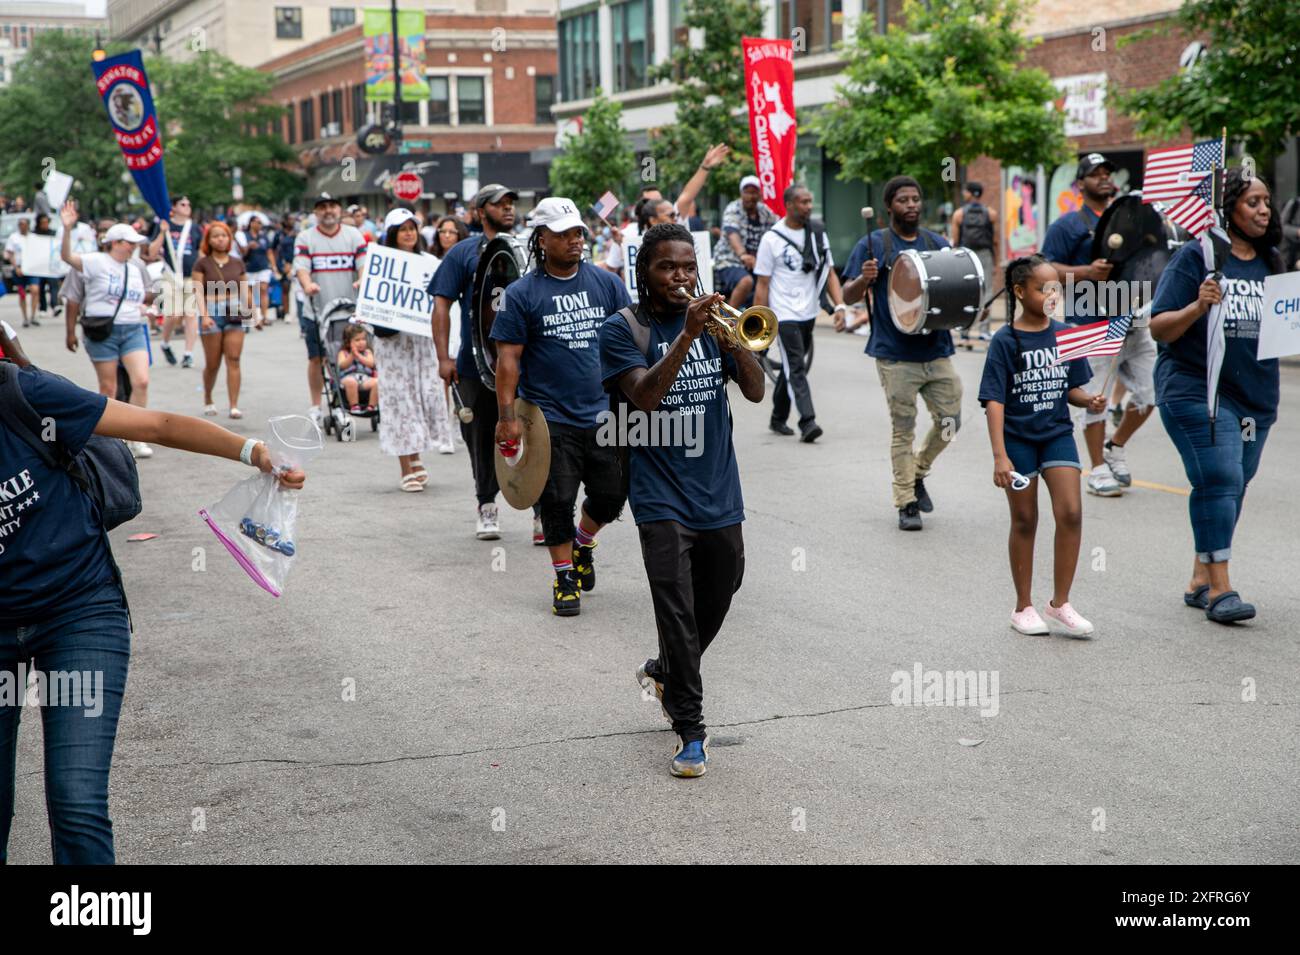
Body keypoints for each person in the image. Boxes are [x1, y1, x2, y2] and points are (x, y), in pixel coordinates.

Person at [0, 332, 306, 864]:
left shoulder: (25, 394)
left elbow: (156, 424)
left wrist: (255, 452)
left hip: (77, 613)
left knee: (75, 801)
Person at [598, 222, 765, 777]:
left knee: (723, 589)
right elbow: (642, 399)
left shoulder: (715, 325)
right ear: (645, 272)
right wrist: (688, 337)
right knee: (676, 607)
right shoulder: (624, 328)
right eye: (668, 267)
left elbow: (757, 390)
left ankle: (667, 670)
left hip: (718, 488)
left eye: (689, 266)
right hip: (659, 495)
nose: (681, 277)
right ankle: (690, 730)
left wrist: (734, 342)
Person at [1149, 168, 1284, 625]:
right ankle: (1221, 592)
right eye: (1252, 202)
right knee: (1221, 477)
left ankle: (1199, 577)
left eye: (1267, 201)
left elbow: (1283, 335)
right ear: (1228, 208)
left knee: (1235, 485)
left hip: (1255, 395)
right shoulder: (1199, 257)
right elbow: (1159, 327)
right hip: (1195, 387)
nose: (1264, 209)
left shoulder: (1275, 263)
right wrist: (1198, 305)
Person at [490, 198, 632, 615]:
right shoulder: (521, 294)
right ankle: (564, 577)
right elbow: (508, 361)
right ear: (541, 239)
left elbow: (630, 339)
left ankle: (584, 543)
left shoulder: (606, 284)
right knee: (556, 500)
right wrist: (507, 417)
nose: (575, 240)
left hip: (606, 413)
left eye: (578, 233)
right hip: (550, 418)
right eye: (564, 234)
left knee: (611, 495)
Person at [979, 256, 1105, 637]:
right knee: (1025, 520)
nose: (1052, 295)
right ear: (1019, 292)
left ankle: (1060, 603)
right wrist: (1000, 455)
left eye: (1057, 289)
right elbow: (994, 401)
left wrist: (1090, 401)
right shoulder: (1005, 341)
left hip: (1056, 434)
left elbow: (1073, 389)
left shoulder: (1067, 334)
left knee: (1070, 512)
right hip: (1017, 440)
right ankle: (1023, 607)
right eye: (1043, 289)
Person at [842, 175, 962, 531]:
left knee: (950, 420)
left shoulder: (937, 243)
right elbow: (847, 297)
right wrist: (864, 279)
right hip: (895, 354)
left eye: (915, 199)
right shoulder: (873, 244)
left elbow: (955, 288)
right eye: (903, 200)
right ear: (889, 207)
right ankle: (906, 502)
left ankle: (918, 471)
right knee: (903, 430)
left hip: (936, 349)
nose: (911, 205)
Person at [1040, 153, 1141, 497]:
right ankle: (1097, 468)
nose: (1103, 178)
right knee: (1094, 396)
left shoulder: (1128, 220)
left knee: (1152, 390)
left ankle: (1116, 446)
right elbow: (1045, 271)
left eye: (1107, 173)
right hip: (1088, 317)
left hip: (1131, 314)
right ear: (1080, 183)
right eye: (1094, 174)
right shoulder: (1066, 225)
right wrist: (1085, 273)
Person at [431, 183, 520, 540]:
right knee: (480, 437)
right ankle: (486, 504)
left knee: (535, 435)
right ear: (481, 211)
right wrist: (443, 358)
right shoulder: (463, 253)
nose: (509, 209)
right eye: (500, 204)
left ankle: (543, 513)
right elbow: (441, 303)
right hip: (476, 365)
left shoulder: (530, 248)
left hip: (525, 365)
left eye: (512, 203)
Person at [58, 201, 156, 459]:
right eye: (128, 241)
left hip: (133, 327)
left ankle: (138, 437)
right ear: (114, 242)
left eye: (135, 242)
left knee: (141, 381)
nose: (133, 246)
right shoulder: (95, 261)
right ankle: (114, 440)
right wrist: (67, 229)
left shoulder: (136, 267)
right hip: (102, 331)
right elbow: (67, 258)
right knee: (108, 388)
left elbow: (146, 295)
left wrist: (149, 307)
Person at [755, 183, 846, 444]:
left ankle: (777, 417)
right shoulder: (771, 239)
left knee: (792, 366)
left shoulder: (817, 233)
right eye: (803, 202)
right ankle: (808, 422)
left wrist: (839, 306)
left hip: (809, 312)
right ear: (789, 205)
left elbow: (829, 272)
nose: (808, 206)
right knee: (797, 367)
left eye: (810, 201)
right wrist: (760, 326)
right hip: (783, 314)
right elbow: (762, 284)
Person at [371, 208, 452, 491]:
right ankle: (406, 464)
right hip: (393, 345)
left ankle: (416, 456)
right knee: (401, 401)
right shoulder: (381, 263)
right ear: (392, 234)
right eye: (402, 228)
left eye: (412, 228)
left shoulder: (429, 262)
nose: (408, 233)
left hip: (422, 342)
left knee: (423, 397)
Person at [293, 194, 368, 426]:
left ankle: (344, 401)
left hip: (348, 311)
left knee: (345, 357)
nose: (328, 211)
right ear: (316, 212)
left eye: (332, 206)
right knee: (316, 358)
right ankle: (316, 405)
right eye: (322, 207)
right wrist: (308, 285)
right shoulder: (306, 237)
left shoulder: (353, 235)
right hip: (316, 309)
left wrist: (361, 281)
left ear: (339, 210)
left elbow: (364, 265)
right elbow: (301, 268)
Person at [602, 145, 731, 277]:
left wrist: (705, 167)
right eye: (649, 202)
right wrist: (622, 245)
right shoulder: (626, 235)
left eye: (659, 201)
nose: (673, 217)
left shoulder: (675, 223)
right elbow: (610, 268)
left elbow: (686, 197)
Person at [192, 221, 250, 419]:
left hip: (234, 310)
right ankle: (208, 397)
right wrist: (205, 316)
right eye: (215, 236)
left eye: (224, 235)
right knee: (213, 362)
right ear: (208, 240)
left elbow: (245, 289)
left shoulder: (237, 262)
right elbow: (197, 292)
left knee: (234, 359)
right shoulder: (202, 263)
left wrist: (254, 313)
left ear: (229, 238)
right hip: (212, 311)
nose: (220, 239)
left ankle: (233, 405)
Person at [149, 195, 202, 367]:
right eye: (183, 204)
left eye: (189, 204)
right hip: (171, 276)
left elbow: (200, 251)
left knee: (191, 314)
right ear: (174, 207)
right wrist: (162, 233)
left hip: (191, 276)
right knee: (173, 314)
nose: (187, 206)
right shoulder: (165, 225)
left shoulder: (194, 227)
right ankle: (165, 343)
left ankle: (188, 353)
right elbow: (152, 252)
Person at [713, 175, 778, 309]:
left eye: (754, 192)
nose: (750, 196)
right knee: (745, 282)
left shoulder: (765, 212)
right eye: (747, 192)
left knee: (771, 283)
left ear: (759, 194)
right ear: (741, 194)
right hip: (729, 261)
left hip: (756, 264)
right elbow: (732, 233)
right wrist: (743, 255)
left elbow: (777, 230)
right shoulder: (733, 208)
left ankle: (756, 323)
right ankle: (728, 321)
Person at [951, 180, 999, 345]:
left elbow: (955, 240)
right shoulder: (991, 213)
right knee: (987, 292)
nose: (964, 194)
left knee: (966, 290)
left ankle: (964, 330)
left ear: (971, 193)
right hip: (985, 254)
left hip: (966, 255)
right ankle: (984, 331)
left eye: (966, 191)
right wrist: (996, 261)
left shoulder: (959, 214)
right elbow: (995, 241)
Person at [235, 215, 276, 329]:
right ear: (251, 223)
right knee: (249, 294)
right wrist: (249, 246)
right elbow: (241, 252)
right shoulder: (244, 235)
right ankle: (251, 316)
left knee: (263, 289)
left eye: (260, 223)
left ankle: (264, 316)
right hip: (248, 267)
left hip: (263, 266)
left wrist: (273, 265)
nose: (258, 225)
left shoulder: (264, 237)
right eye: (256, 222)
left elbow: (269, 251)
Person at [336, 323, 378, 413]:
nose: (361, 342)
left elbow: (371, 364)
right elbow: (342, 365)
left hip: (365, 379)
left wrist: (359, 356)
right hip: (348, 379)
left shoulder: (368, 352)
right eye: (357, 340)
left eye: (363, 339)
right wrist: (352, 355)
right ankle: (354, 405)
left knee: (377, 382)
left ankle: (371, 406)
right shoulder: (343, 353)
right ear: (348, 342)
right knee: (351, 382)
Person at [4, 217, 38, 327]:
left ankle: (33, 315)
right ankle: (25, 317)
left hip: (31, 268)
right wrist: (15, 267)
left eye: (24, 224)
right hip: (19, 268)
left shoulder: (34, 237)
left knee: (35, 290)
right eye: (20, 224)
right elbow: (10, 254)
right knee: (22, 293)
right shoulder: (14, 238)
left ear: (28, 225)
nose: (22, 226)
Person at [32, 213, 63, 319]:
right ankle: (43, 308)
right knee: (40, 287)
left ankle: (55, 305)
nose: (45, 224)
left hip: (50, 265)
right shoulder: (34, 235)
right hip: (39, 265)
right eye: (43, 222)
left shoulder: (53, 234)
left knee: (53, 285)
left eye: (47, 222)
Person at [276, 214, 298, 322]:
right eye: (290, 219)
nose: (292, 221)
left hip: (297, 262)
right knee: (285, 287)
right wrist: (277, 265)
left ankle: (300, 313)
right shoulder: (279, 234)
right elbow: (273, 250)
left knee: (299, 289)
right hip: (284, 263)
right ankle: (286, 312)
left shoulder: (298, 233)